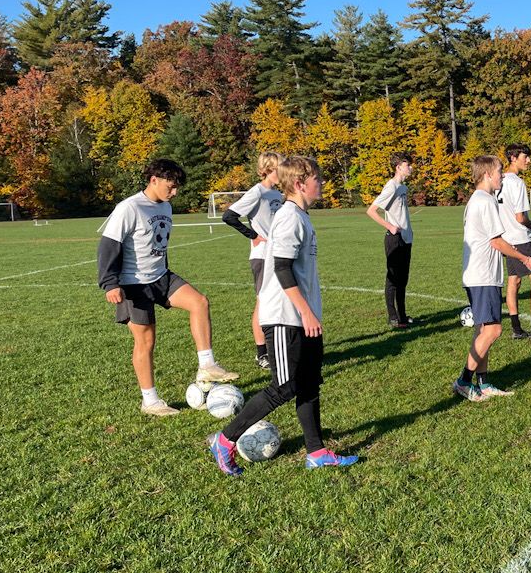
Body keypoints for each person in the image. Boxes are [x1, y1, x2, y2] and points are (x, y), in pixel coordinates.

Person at [208, 156, 359, 475]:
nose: (321, 183)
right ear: (301, 183)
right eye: (317, 178)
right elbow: (281, 267)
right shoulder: (289, 216)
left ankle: (316, 451)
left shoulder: (300, 216)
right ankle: (225, 440)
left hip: (304, 315)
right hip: (284, 316)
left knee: (308, 384)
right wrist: (305, 312)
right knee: (284, 385)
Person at [97, 159, 238, 417]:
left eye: (176, 189)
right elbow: (108, 245)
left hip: (161, 277)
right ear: (154, 180)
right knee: (146, 340)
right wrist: (110, 283)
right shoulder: (129, 207)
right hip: (133, 283)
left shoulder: (166, 207)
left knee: (199, 302)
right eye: (171, 187)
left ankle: (207, 364)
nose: (174, 193)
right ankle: (150, 401)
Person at [454, 155, 531, 401]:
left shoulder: (479, 199)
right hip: (482, 275)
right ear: (487, 175)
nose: (502, 176)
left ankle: (483, 383)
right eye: (499, 172)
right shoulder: (485, 201)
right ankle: (464, 381)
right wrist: (525, 258)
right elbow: (496, 241)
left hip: (478, 275)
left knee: (484, 330)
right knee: (493, 330)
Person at [221, 151, 284, 369]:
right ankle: (262, 353)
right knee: (263, 303)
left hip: (279, 254)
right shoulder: (257, 192)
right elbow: (228, 216)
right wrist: (254, 236)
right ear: (267, 169)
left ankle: (278, 347)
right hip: (262, 257)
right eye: (278, 169)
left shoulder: (277, 194)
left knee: (279, 301)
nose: (282, 173)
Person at [496, 144, 531, 343]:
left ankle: (516, 328)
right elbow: (520, 217)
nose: (528, 160)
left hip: (506, 238)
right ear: (513, 158)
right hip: (520, 238)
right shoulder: (517, 182)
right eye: (525, 157)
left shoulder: (499, 179)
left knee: (514, 280)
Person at [366, 153, 414, 328]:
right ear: (398, 167)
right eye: (407, 165)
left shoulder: (403, 188)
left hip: (406, 238)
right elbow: (371, 211)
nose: (411, 168)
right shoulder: (391, 187)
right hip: (394, 239)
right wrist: (390, 226)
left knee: (403, 280)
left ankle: (402, 316)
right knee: (393, 279)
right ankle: (393, 317)